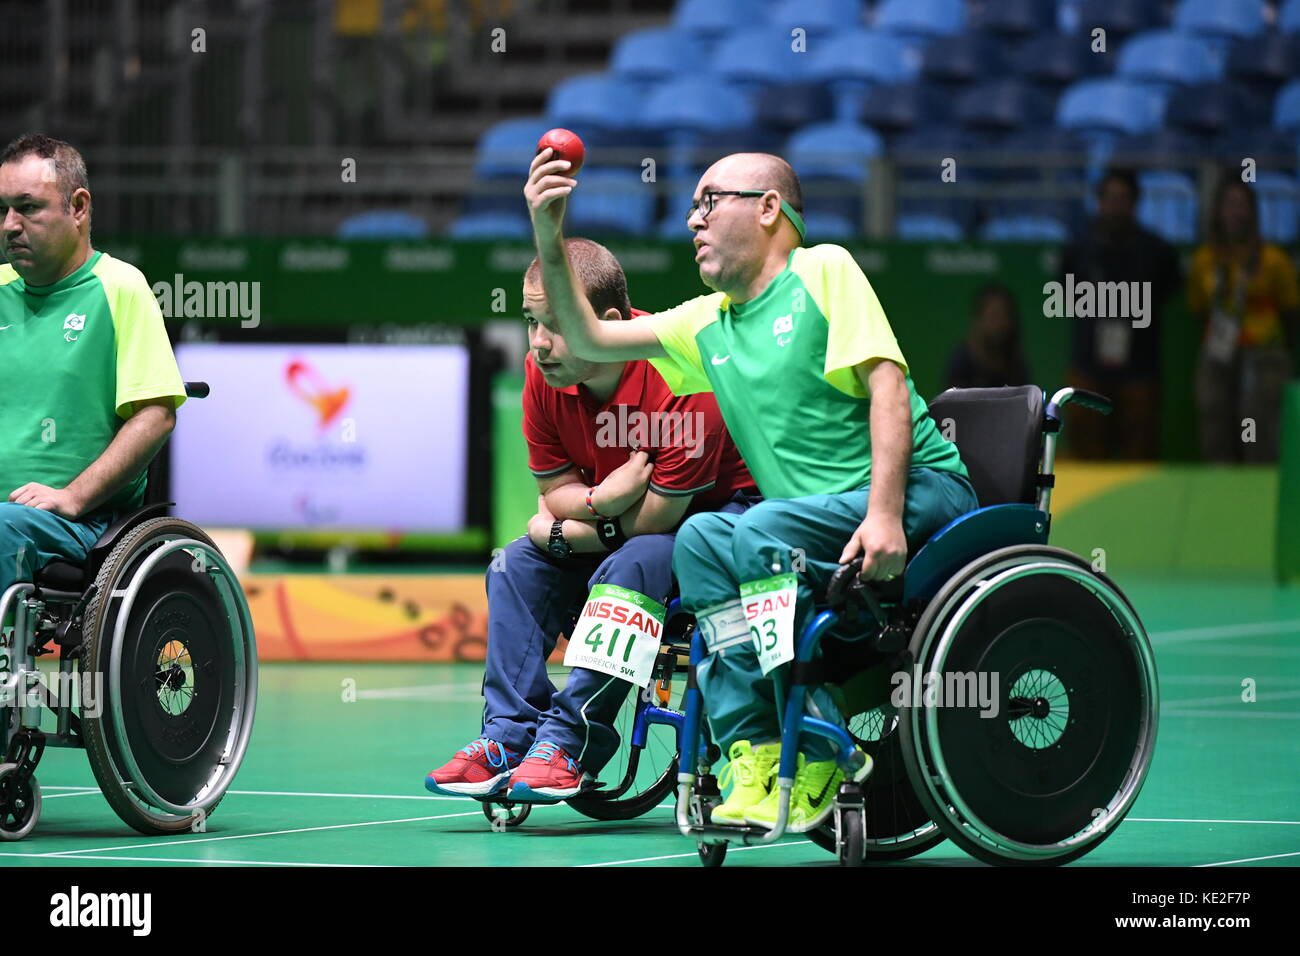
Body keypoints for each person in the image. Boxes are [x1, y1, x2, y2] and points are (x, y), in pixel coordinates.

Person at [524, 150, 977, 832]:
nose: (692, 220)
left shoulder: (825, 270)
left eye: (710, 203)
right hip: (808, 523)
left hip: (918, 492)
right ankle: (757, 747)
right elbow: (588, 333)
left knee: (761, 528)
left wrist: (885, 514)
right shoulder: (706, 324)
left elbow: (886, 383)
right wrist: (548, 236)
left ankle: (821, 735)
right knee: (703, 540)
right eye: (692, 207)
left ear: (769, 210)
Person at [425, 238, 757, 801]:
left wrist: (571, 522)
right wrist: (603, 500)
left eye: (555, 325)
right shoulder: (542, 374)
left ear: (607, 323)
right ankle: (509, 735)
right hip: (630, 524)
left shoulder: (681, 373)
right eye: (531, 322)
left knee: (631, 562)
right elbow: (556, 491)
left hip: (715, 527)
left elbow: (658, 519)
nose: (539, 345)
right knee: (516, 561)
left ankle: (571, 743)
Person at [0, 133, 186, 599]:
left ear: (78, 208)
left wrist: (74, 496)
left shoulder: (121, 288)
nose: (9, 225)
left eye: (28, 207)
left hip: (80, 524)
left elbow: (156, 414)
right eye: (3, 209)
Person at [1061, 167, 1181, 460]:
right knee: (1085, 445)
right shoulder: (1077, 250)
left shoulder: (1157, 252)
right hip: (1089, 365)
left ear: (1135, 203)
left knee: (1139, 444)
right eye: (1110, 198)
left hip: (1140, 367)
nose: (1115, 206)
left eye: (1123, 198)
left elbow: (1166, 291)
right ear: (1099, 201)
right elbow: (1067, 292)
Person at [1189, 174, 1300, 463]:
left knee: (1259, 423)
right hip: (1218, 353)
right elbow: (1199, 310)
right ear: (1217, 212)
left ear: (1253, 212)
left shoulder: (1274, 260)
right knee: (1215, 418)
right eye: (1229, 204)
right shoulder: (1205, 260)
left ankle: (1260, 484)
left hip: (1264, 354)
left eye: (1242, 205)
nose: (1236, 212)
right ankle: (1219, 482)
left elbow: (1291, 313)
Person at [945, 283, 1031, 390]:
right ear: (978, 320)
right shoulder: (961, 363)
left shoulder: (1016, 364)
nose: (999, 324)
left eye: (1004, 316)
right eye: (993, 316)